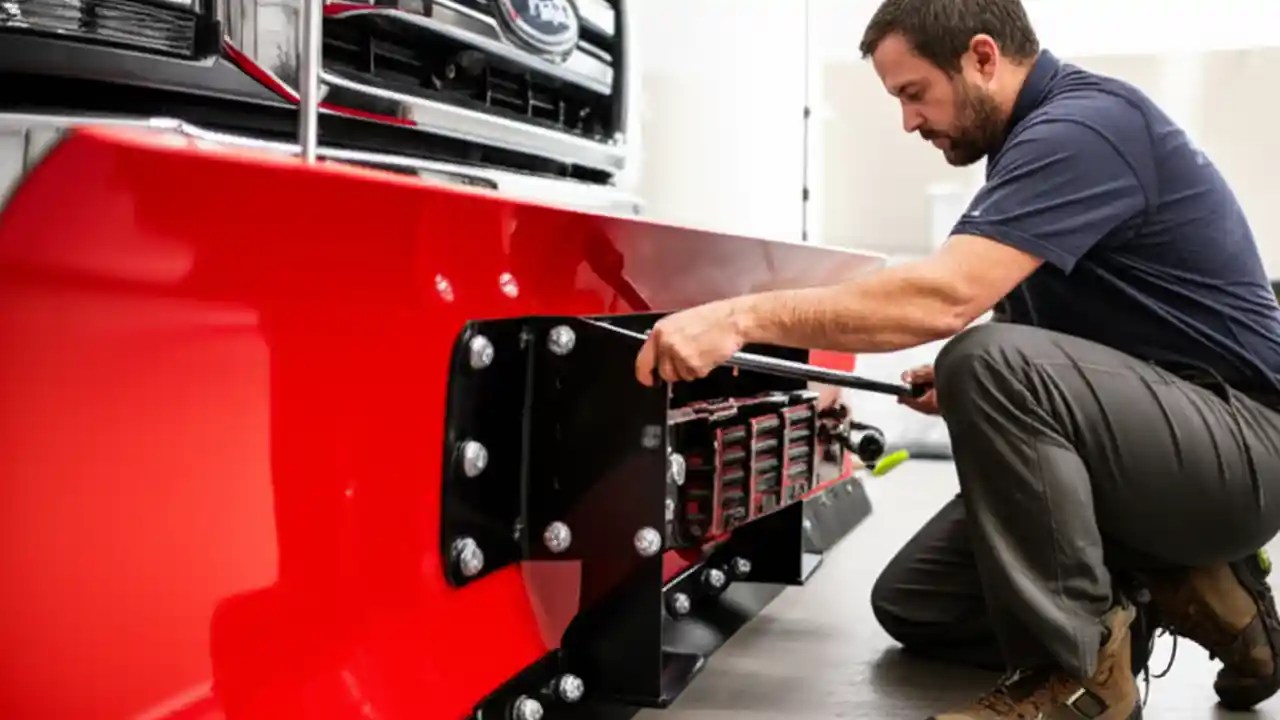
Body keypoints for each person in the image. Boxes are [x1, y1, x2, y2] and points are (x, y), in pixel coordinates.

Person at [630, 0, 1280, 717]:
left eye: (914, 93)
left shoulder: (1084, 128)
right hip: (1172, 443)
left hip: (1243, 448)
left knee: (984, 360)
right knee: (918, 602)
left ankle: (1080, 680)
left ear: (981, 57)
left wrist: (738, 318)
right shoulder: (1032, 141)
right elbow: (1053, 328)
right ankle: (1200, 592)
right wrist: (966, 384)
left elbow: (944, 299)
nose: (909, 121)